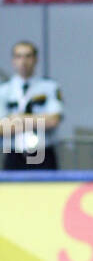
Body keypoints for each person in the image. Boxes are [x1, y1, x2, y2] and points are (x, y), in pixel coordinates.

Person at [0, 41, 63, 170]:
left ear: (35, 59)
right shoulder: (4, 90)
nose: (23, 61)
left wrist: (16, 119)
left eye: (28, 56)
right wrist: (39, 120)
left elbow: (53, 120)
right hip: (14, 153)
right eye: (19, 56)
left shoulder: (49, 87)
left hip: (43, 152)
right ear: (13, 60)